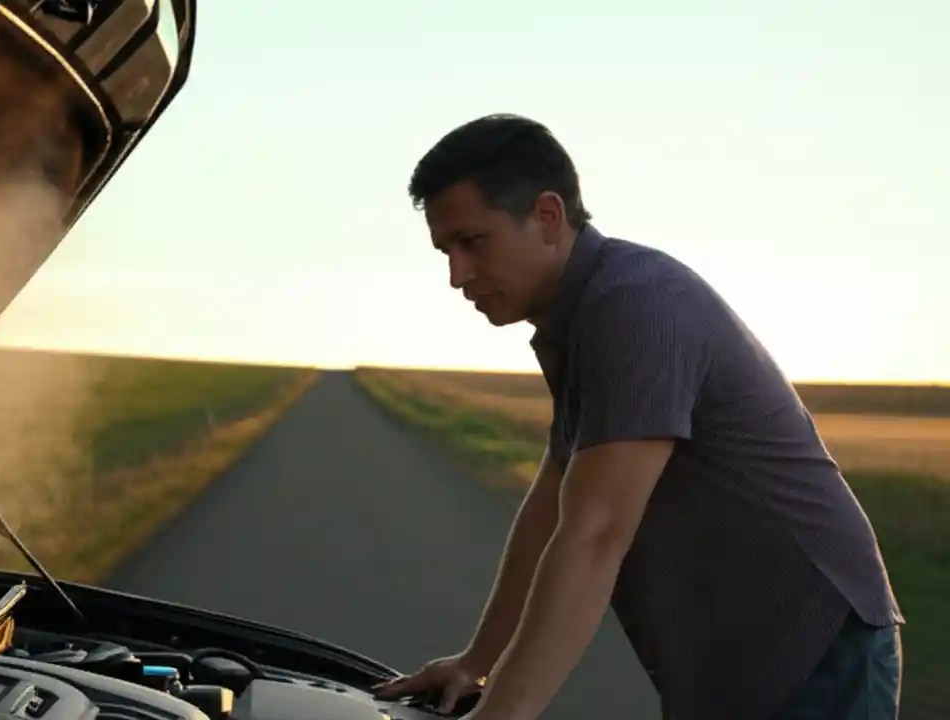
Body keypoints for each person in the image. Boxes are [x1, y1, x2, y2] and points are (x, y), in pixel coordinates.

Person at [371, 114, 904, 720]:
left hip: (814, 653)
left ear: (547, 216)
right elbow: (555, 501)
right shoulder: (577, 319)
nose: (456, 276)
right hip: (731, 664)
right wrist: (478, 660)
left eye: (474, 242)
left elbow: (595, 535)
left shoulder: (636, 307)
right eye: (445, 251)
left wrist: (503, 715)